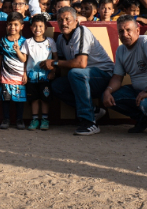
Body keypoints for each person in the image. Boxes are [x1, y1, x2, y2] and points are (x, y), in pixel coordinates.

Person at [45, 7, 114, 135]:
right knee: (57, 86)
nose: (64, 23)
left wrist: (54, 63)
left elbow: (81, 63)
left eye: (67, 19)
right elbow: (60, 62)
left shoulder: (81, 31)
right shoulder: (60, 39)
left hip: (104, 76)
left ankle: (89, 123)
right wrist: (53, 70)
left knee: (75, 73)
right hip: (86, 77)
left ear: (76, 21)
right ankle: (93, 111)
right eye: (60, 20)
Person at [22, 15, 57, 130]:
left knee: (45, 98)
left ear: (45, 27)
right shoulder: (27, 42)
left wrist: (53, 71)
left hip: (45, 76)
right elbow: (24, 60)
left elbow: (55, 59)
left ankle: (45, 119)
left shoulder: (50, 42)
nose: (38, 28)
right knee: (34, 99)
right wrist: (24, 74)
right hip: (31, 76)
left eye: (41, 26)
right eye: (35, 26)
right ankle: (35, 119)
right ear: (31, 27)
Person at [0, 12, 28, 130]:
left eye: (16, 24)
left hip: (19, 76)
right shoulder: (3, 41)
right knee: (6, 98)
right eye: (10, 24)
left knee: (19, 99)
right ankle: (6, 119)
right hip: (6, 75)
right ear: (6, 25)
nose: (12, 27)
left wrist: (25, 73)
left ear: (21, 26)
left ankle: (19, 120)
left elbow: (25, 59)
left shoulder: (24, 41)